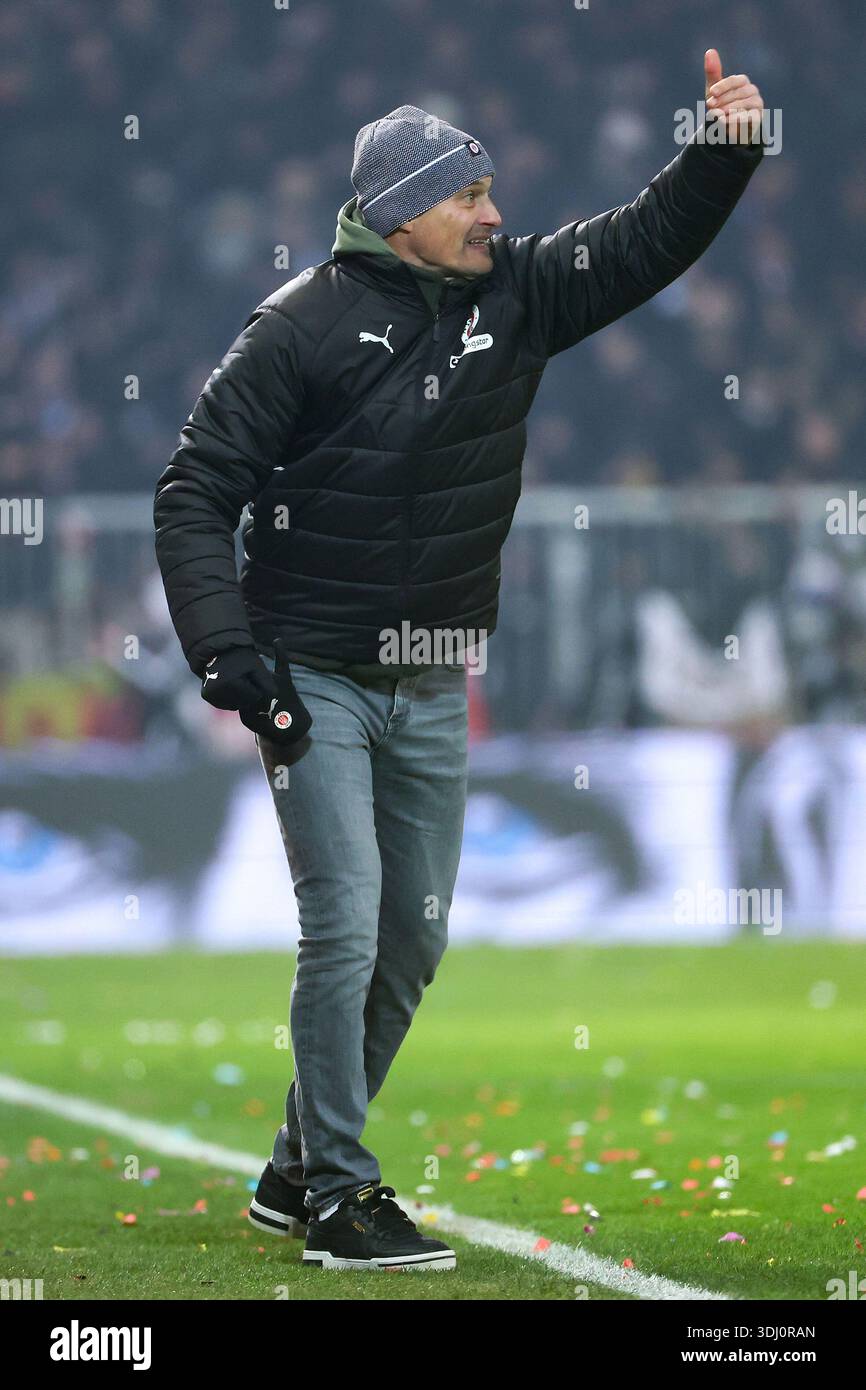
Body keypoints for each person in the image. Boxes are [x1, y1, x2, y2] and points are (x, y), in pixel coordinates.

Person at [153, 51, 766, 1270]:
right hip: (311, 671)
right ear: (397, 217)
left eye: (489, 190)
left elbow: (642, 242)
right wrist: (228, 652)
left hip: (431, 676)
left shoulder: (521, 291)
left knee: (413, 938)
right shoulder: (296, 328)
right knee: (346, 925)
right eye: (466, 195)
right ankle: (340, 1192)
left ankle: (292, 1164)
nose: (494, 212)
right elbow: (193, 490)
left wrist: (718, 153)